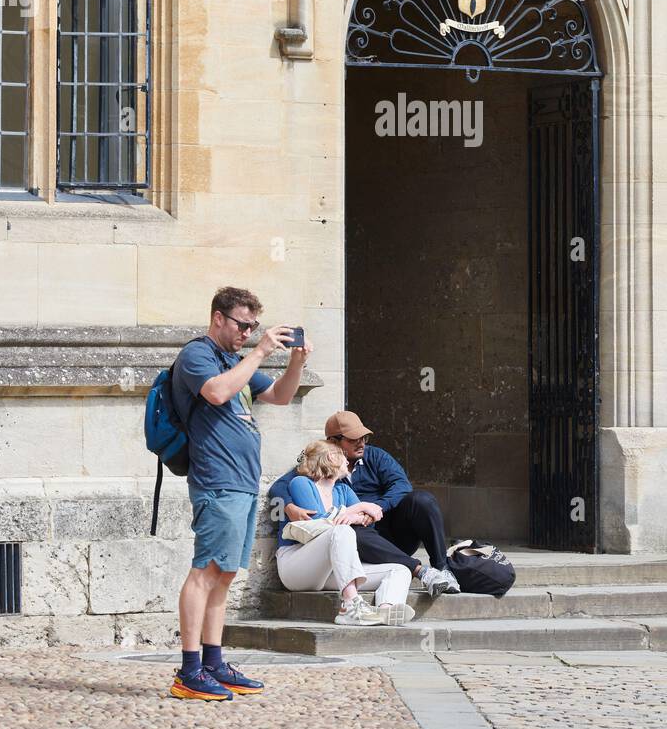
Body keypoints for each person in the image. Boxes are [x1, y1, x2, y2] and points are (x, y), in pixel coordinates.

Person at [169, 286, 312, 701]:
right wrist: (261, 352)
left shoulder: (238, 360)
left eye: (254, 327)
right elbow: (215, 392)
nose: (248, 333)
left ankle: (213, 663)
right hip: (217, 480)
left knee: (225, 574)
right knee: (206, 571)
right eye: (242, 325)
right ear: (218, 318)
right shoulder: (198, 355)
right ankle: (189, 670)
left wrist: (297, 364)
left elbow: (281, 396)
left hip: (244, 483)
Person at [278, 411, 460, 596]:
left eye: (364, 437)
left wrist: (376, 507)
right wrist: (289, 506)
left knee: (422, 501)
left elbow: (402, 485)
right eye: (353, 439)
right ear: (333, 441)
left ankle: (442, 569)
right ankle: (420, 572)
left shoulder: (375, 456)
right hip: (355, 540)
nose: (361, 443)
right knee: (348, 528)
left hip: (389, 533)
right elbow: (280, 486)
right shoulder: (321, 464)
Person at [269, 441, 415, 627]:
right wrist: (361, 506)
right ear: (331, 457)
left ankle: (386, 609)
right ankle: (350, 606)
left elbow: (364, 522)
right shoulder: (301, 483)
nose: (348, 461)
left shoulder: (343, 490)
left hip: (331, 571)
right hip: (296, 565)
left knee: (400, 569)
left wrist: (356, 514)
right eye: (343, 456)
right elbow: (321, 524)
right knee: (341, 530)